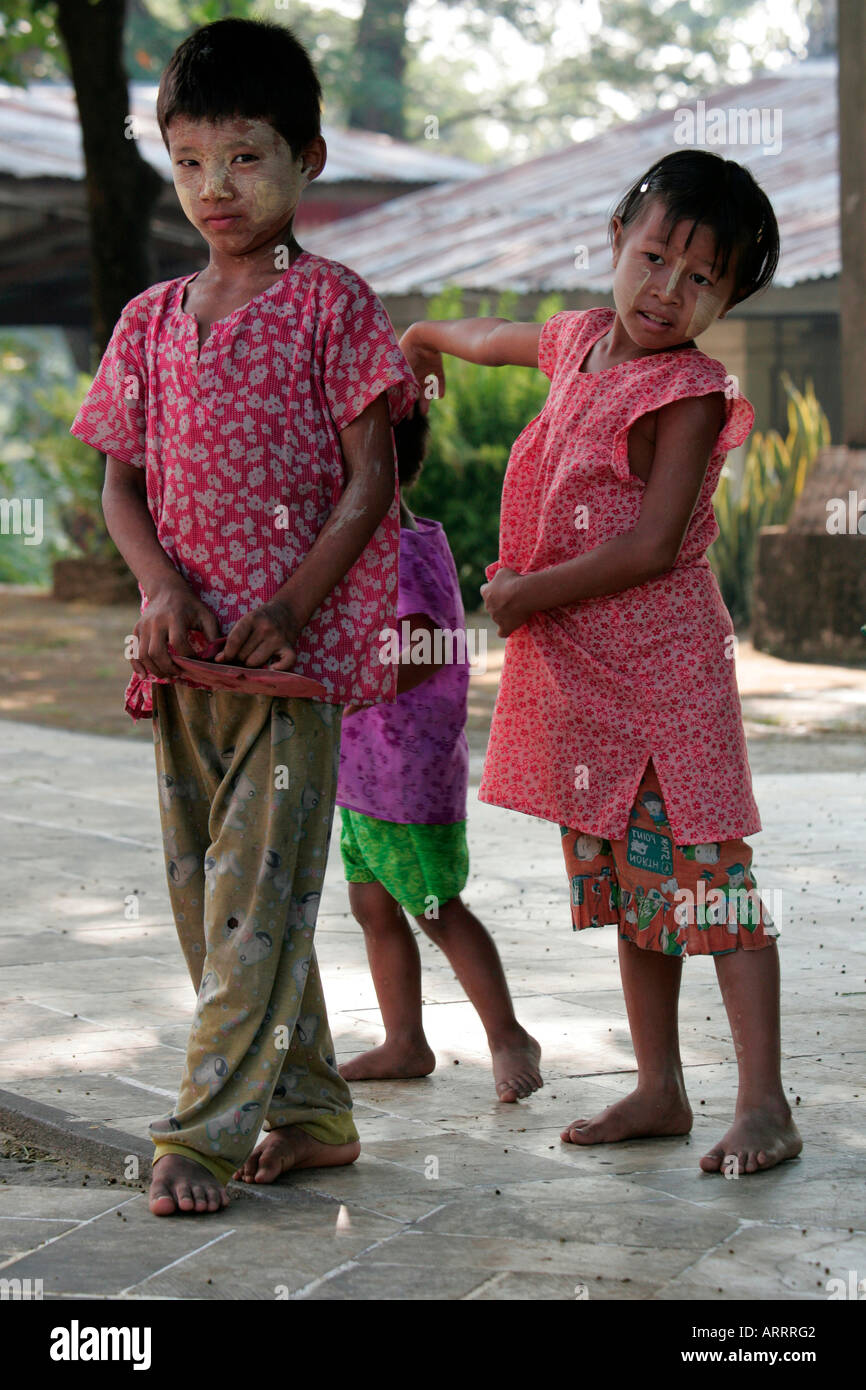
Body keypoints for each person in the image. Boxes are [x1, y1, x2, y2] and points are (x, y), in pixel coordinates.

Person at [70, 17, 420, 1216]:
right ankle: (314, 1109)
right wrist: (160, 588)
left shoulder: (333, 307)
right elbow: (118, 477)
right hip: (182, 666)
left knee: (252, 902)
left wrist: (289, 603)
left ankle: (203, 1136)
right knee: (213, 904)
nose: (217, 188)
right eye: (191, 162)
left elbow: (371, 480)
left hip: (291, 669)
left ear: (306, 159)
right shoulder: (150, 322)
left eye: (247, 157)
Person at [400, 151, 803, 1175]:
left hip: (666, 680)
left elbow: (653, 542)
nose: (667, 289)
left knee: (707, 879)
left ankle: (763, 1101)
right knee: (637, 883)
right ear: (618, 233)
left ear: (729, 295)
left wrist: (524, 595)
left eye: (701, 278)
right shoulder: (576, 341)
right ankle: (659, 1088)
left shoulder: (690, 392)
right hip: (587, 683)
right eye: (655, 254)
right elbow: (492, 337)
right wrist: (420, 338)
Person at [335, 403, 543, 1102]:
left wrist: (342, 686)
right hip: (361, 771)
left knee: (434, 904)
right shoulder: (359, 539)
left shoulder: (402, 544)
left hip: (403, 772)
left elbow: (420, 648)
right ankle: (403, 1042)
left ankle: (509, 1033)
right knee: (371, 904)